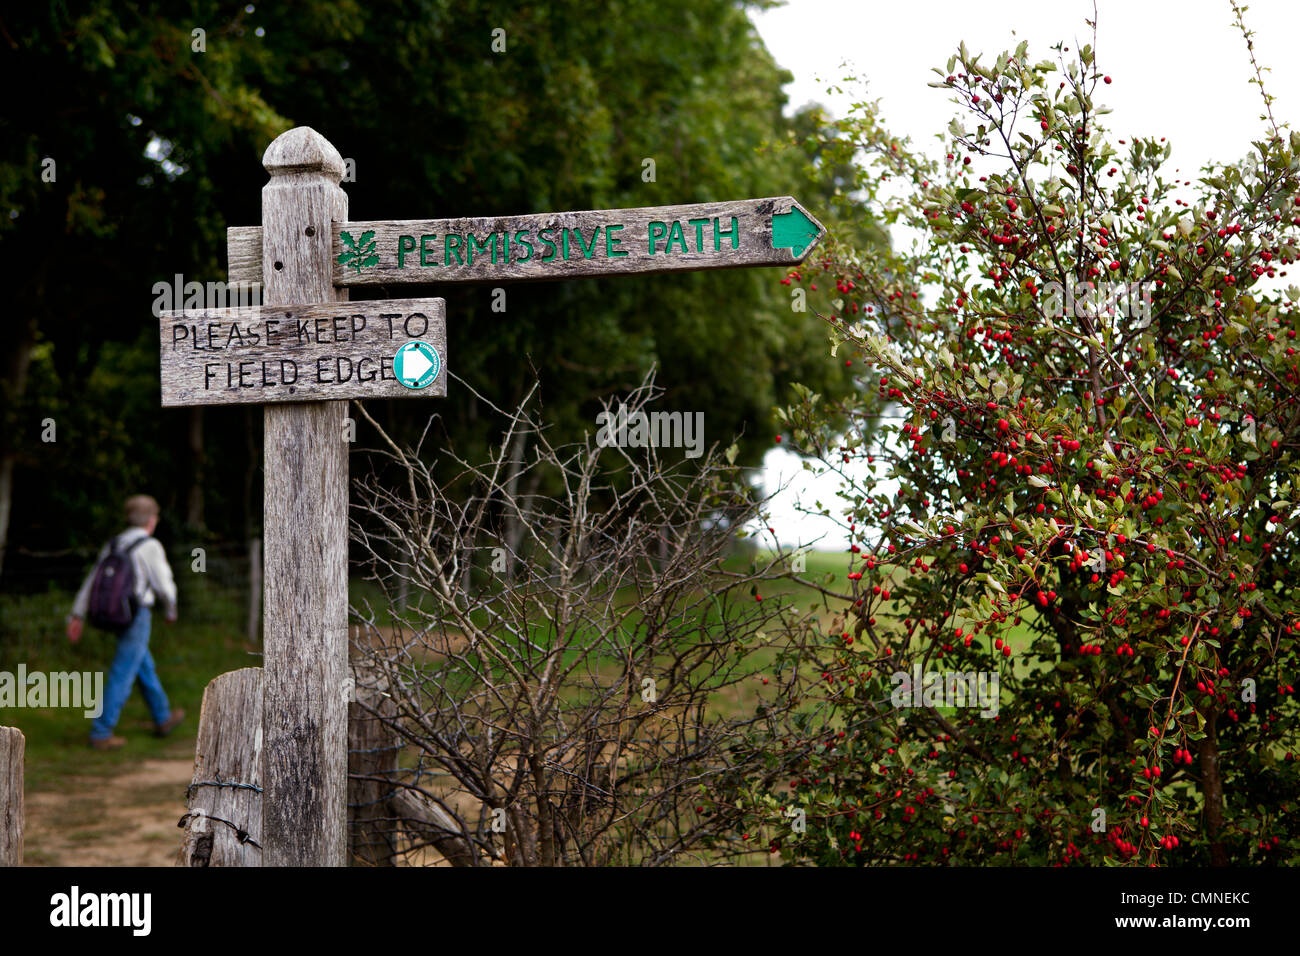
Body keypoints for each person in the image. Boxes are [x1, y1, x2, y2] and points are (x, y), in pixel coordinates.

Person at [67, 494, 185, 750]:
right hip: (138, 614)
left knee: (143, 664)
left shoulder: (114, 544)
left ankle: (162, 717)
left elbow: (91, 582)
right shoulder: (150, 546)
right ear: (152, 520)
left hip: (116, 615)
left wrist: (77, 614)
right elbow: (164, 585)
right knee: (123, 671)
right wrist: (171, 610)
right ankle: (101, 731)